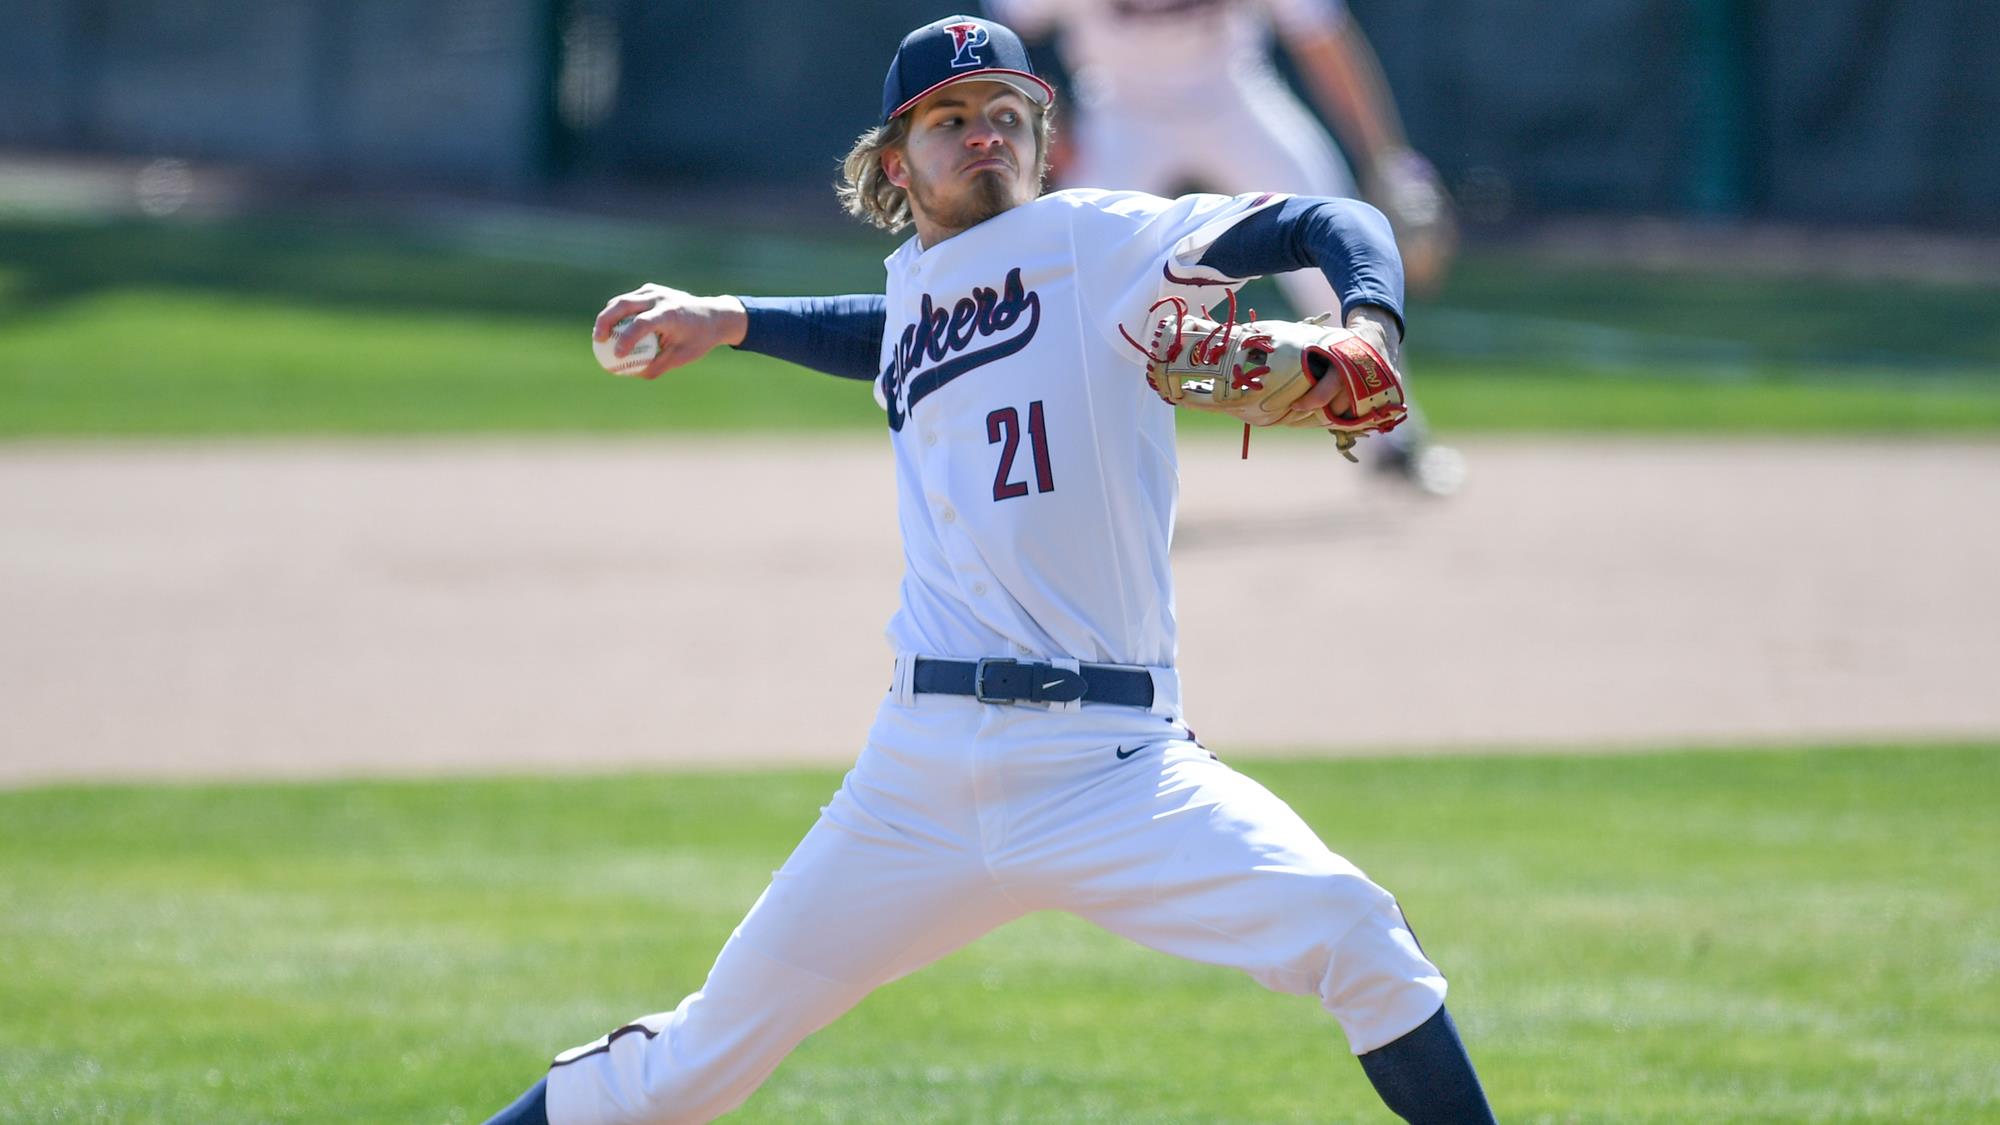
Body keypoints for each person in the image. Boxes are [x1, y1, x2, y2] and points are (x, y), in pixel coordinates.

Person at [480, 15, 1493, 1125]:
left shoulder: (1098, 239)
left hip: (1112, 768)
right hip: (916, 778)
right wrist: (731, 321)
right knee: (692, 1063)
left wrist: (1367, 323)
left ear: (1041, 142)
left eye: (1007, 117)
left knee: (1357, 939)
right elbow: (894, 326)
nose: (984, 137)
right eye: (951, 120)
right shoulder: (922, 282)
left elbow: (1326, 216)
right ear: (891, 160)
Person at [983, 0, 1466, 495]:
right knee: (1071, 272)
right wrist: (1046, 118)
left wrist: (1385, 156)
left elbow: (1322, 39)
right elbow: (1000, 39)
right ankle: (1046, 452)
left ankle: (1394, 437)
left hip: (1235, 100)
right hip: (1119, 112)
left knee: (1331, 249)